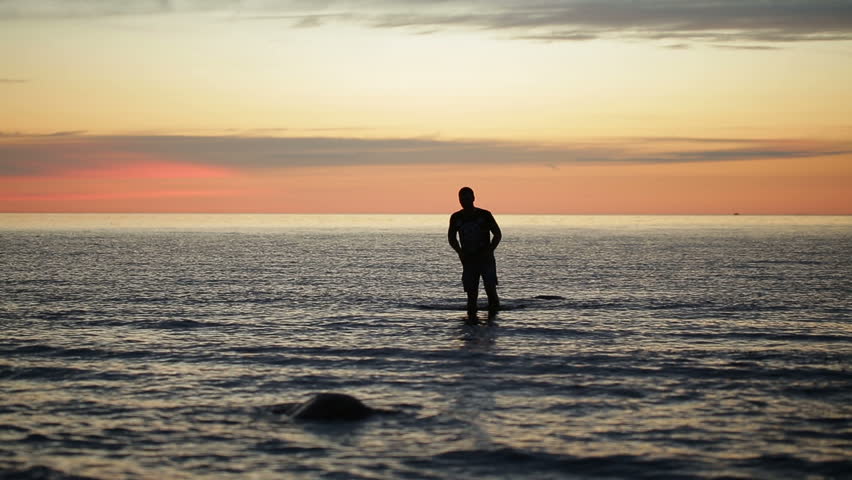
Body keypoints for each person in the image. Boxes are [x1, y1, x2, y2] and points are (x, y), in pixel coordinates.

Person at [448, 187, 502, 320]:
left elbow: (497, 234)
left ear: (473, 198)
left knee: (490, 290)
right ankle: (471, 323)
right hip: (468, 260)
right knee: (471, 294)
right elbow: (451, 238)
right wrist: (460, 252)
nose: (464, 201)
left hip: (486, 259)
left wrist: (490, 250)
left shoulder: (485, 215)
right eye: (462, 199)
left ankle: (493, 323)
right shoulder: (456, 217)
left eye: (467, 198)